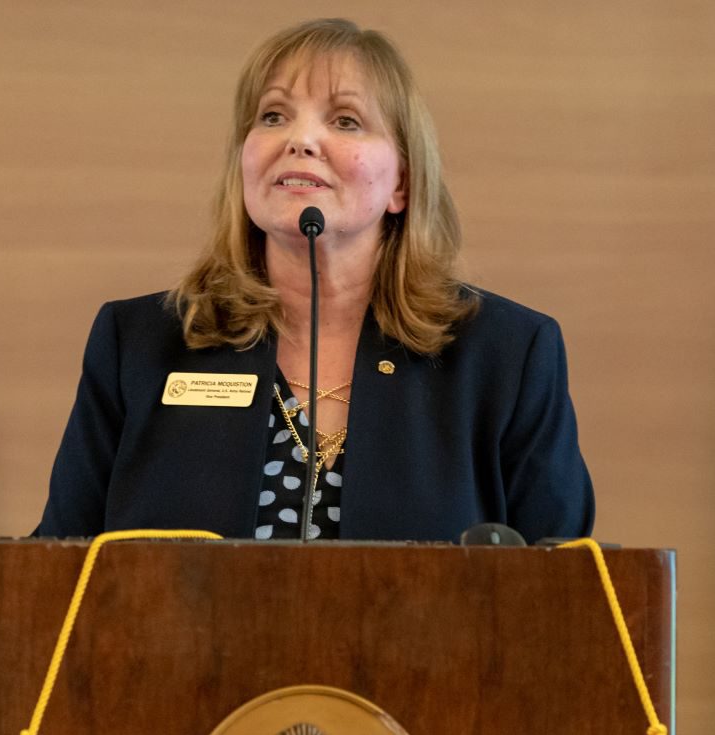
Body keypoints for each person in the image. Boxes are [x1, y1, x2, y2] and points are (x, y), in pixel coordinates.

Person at [37, 18, 592, 542]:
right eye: (273, 116)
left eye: (345, 120)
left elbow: (567, 596)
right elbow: (53, 570)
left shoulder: (505, 357)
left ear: (401, 183)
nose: (299, 139)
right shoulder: (139, 345)